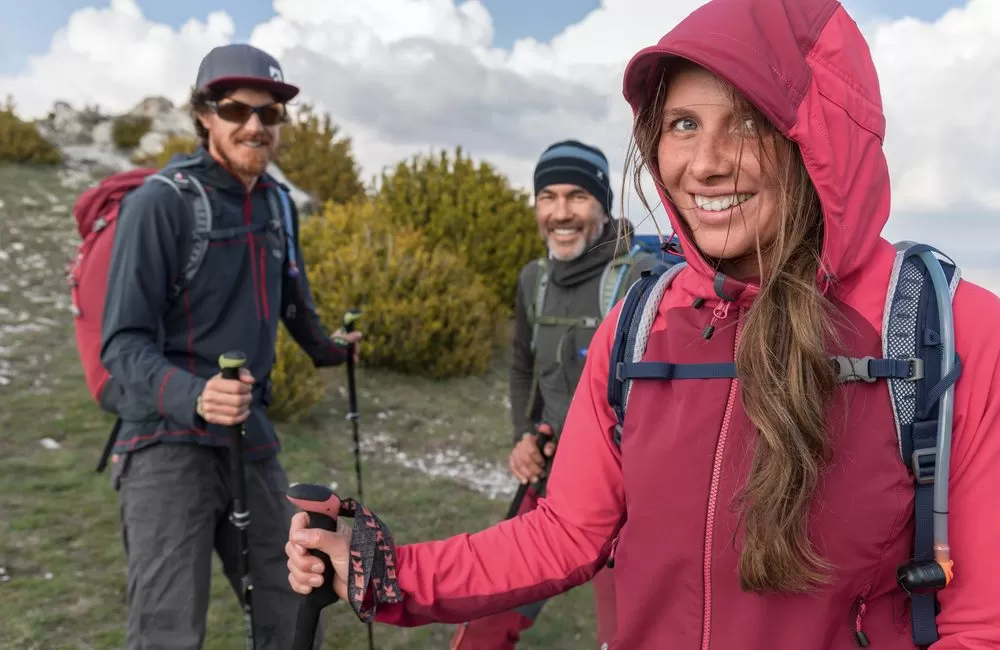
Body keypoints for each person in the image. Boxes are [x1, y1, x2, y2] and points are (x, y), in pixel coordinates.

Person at [285, 0, 1000, 647]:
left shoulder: (947, 331)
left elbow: (980, 624)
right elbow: (567, 534)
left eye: (749, 120)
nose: (706, 164)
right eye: (683, 124)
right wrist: (386, 570)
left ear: (822, 137)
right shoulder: (643, 324)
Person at [101, 42, 361, 650]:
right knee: (168, 626)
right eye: (234, 109)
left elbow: (291, 297)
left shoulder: (276, 203)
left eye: (269, 114)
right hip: (164, 441)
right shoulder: (160, 204)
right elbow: (122, 343)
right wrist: (195, 395)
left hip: (251, 437)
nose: (253, 125)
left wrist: (330, 349)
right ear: (203, 114)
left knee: (295, 599)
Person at [450, 140, 661, 649]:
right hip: (553, 473)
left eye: (577, 197)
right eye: (547, 197)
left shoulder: (640, 279)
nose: (561, 213)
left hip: (630, 493)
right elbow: (523, 365)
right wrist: (523, 434)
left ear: (603, 206)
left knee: (628, 634)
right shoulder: (534, 280)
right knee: (488, 613)